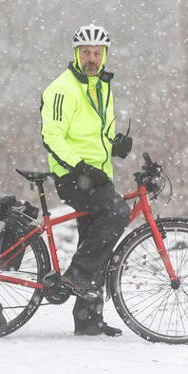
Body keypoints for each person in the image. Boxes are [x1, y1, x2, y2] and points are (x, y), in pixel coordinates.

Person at [40, 24, 133, 337]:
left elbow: (97, 134)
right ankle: (77, 275)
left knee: (97, 241)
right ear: (76, 54)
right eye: (85, 53)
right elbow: (51, 135)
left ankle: (88, 320)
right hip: (73, 177)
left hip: (97, 175)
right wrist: (79, 166)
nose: (91, 58)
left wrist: (114, 145)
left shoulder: (102, 86)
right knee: (118, 213)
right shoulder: (61, 88)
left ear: (104, 55)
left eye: (97, 53)